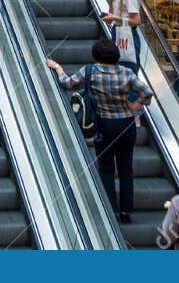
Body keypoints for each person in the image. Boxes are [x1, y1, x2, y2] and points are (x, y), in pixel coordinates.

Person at [45, 38, 150, 222]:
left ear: (96, 55)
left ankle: (111, 210)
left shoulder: (90, 71)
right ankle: (127, 211)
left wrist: (58, 68)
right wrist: (135, 107)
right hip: (126, 125)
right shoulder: (126, 73)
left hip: (105, 126)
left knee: (106, 168)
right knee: (126, 168)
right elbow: (147, 93)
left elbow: (67, 83)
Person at [103, 0, 144, 67]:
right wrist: (109, 18)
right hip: (117, 32)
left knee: (128, 69)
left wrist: (114, 17)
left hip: (128, 34)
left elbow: (137, 21)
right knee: (118, 68)